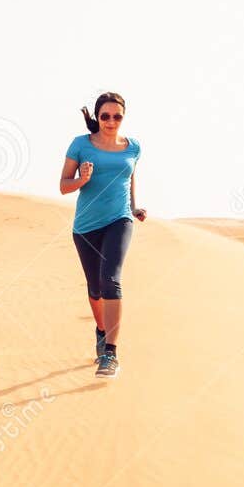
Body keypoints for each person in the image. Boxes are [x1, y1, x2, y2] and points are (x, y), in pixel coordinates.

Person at [59, 91, 146, 377]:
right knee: (95, 290)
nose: (111, 121)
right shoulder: (81, 145)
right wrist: (81, 179)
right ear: (97, 116)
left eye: (117, 116)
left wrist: (133, 208)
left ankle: (111, 353)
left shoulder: (133, 147)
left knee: (111, 280)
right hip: (85, 226)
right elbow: (63, 185)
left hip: (119, 220)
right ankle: (101, 329)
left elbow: (129, 177)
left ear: (123, 118)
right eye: (105, 115)